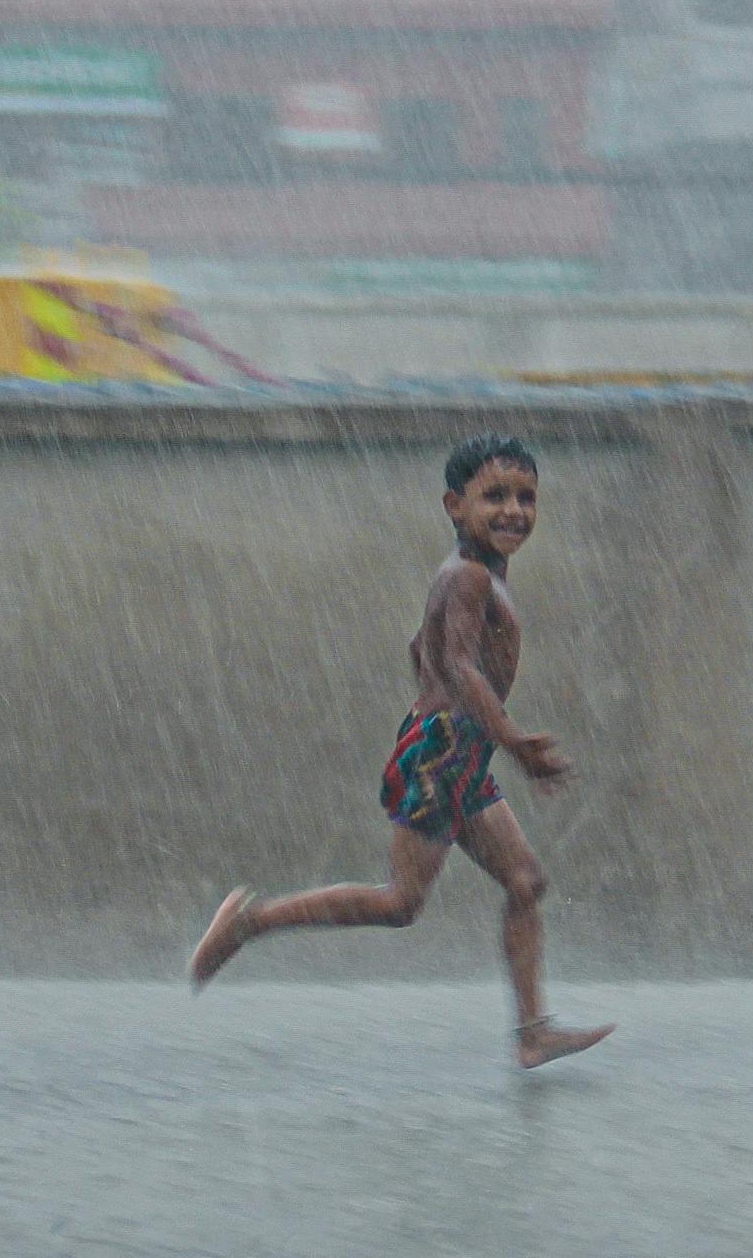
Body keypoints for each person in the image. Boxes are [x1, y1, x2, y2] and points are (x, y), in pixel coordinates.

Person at [189, 432, 615, 1069]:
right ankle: (252, 922)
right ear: (454, 506)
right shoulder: (470, 578)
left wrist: (454, 714)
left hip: (456, 751)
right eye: (494, 496)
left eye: (526, 497)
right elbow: (461, 667)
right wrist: (513, 741)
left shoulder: (474, 577)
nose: (514, 511)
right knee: (399, 903)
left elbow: (422, 648)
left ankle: (532, 1031)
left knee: (525, 881)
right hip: (444, 753)